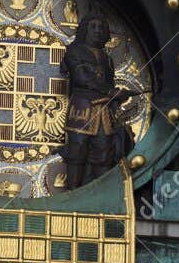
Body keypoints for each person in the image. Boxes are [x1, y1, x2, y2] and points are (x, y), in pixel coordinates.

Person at [58, 15, 137, 188]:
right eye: (93, 27)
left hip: (104, 111)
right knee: (78, 150)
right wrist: (110, 91)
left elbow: (110, 84)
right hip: (82, 108)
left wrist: (118, 96)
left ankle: (99, 192)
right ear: (84, 30)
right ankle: (73, 192)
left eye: (101, 28)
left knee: (104, 152)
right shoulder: (75, 51)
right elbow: (81, 77)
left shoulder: (106, 58)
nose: (98, 31)